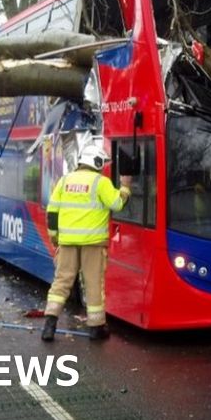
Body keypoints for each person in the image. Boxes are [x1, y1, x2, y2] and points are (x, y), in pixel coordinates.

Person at [41, 144, 131, 342]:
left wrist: (55, 238)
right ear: (97, 162)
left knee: (61, 283)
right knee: (92, 284)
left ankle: (49, 325)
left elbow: (52, 213)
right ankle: (96, 329)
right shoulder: (101, 182)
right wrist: (125, 186)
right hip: (93, 243)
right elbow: (117, 204)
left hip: (67, 242)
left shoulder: (64, 181)